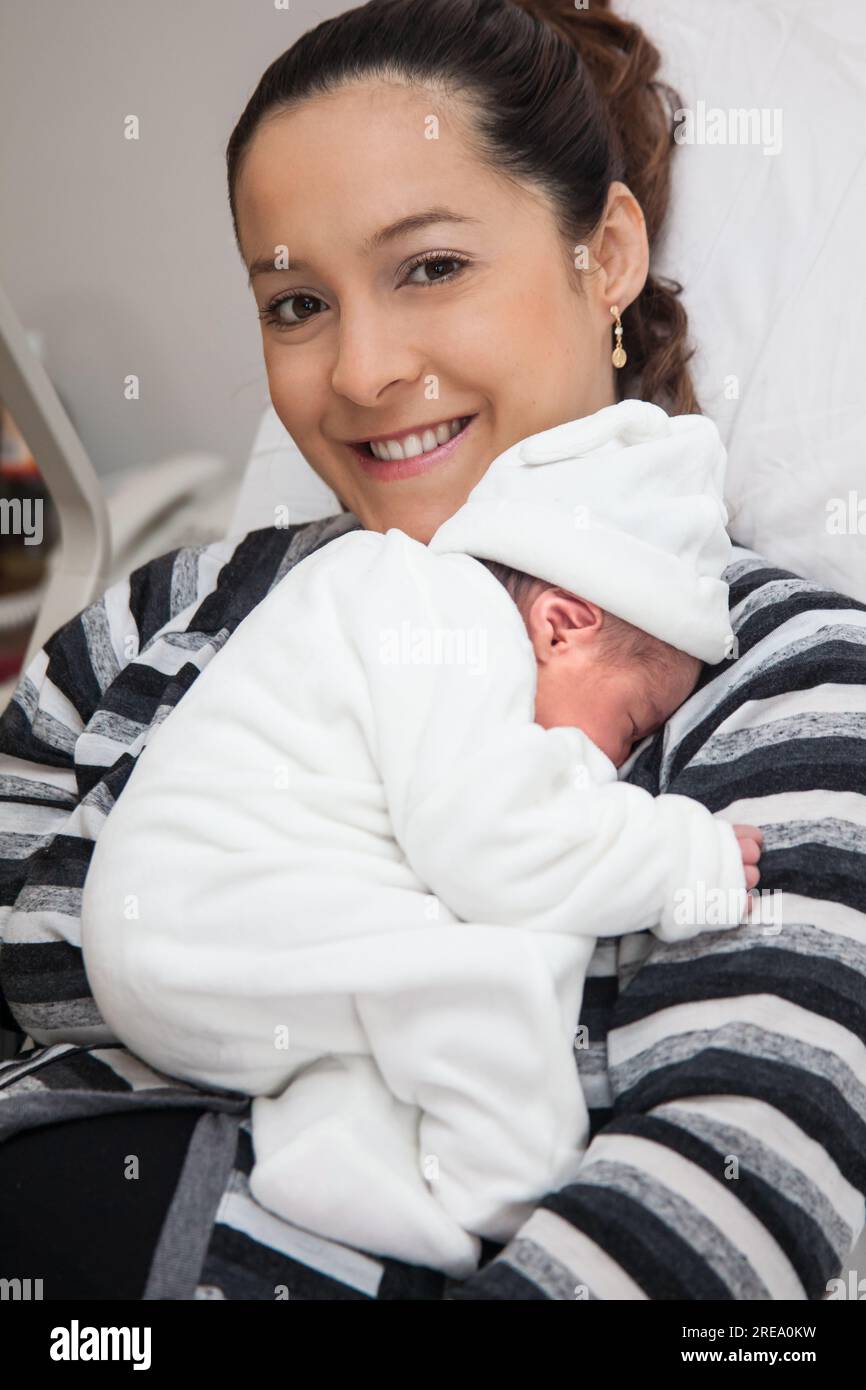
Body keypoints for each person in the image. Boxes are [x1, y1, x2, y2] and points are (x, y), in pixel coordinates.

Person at [1, 0, 863, 1300]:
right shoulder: (153, 624)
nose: (356, 368)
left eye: (428, 268)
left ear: (606, 253)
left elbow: (729, 1181)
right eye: (296, 300)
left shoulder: (776, 674)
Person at [78, 399, 762, 1278]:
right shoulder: (444, 611)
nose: (617, 763)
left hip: (187, 953)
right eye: (630, 728)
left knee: (389, 1024)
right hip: (214, 911)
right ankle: (507, 1190)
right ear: (561, 623)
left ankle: (346, 1165)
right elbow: (499, 843)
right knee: (490, 971)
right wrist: (681, 856)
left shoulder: (385, 599)